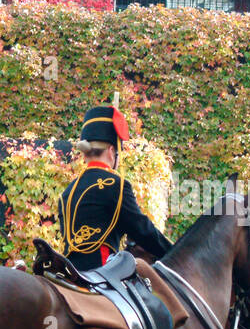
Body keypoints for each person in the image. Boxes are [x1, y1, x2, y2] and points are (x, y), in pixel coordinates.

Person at [56, 105, 172, 271]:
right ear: (111, 151)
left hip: (70, 272)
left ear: (85, 152)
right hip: (102, 271)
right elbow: (142, 230)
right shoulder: (114, 185)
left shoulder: (68, 191)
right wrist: (173, 252)